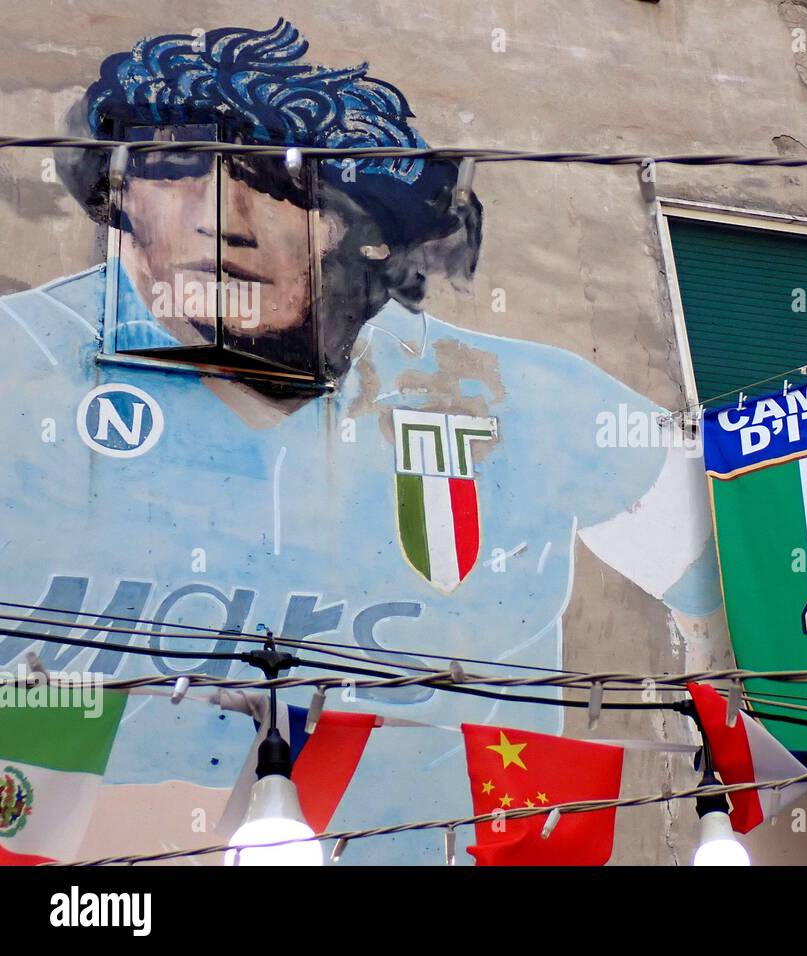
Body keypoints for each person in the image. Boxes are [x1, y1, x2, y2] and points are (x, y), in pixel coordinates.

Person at [0, 21, 719, 863]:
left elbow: (741, 583)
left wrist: (718, 770)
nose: (218, 221)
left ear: (363, 229)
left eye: (280, 186)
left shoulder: (527, 399)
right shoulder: (21, 368)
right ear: (118, 195)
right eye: (175, 168)